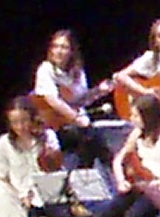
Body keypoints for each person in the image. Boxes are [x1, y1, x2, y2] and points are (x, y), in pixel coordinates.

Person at [0, 97, 73, 217]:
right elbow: (3, 177)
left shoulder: (47, 136)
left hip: (47, 191)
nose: (21, 127)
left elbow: (56, 168)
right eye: (15, 122)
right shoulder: (4, 144)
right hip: (20, 195)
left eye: (24, 121)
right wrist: (18, 197)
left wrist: (47, 148)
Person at [30, 29, 112, 169]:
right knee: (92, 138)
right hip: (53, 126)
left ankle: (91, 174)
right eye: (55, 46)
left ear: (72, 51)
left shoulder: (77, 72)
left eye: (64, 47)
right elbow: (53, 100)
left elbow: (81, 101)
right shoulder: (45, 69)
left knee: (93, 140)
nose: (59, 51)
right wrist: (76, 118)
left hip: (75, 124)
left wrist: (99, 91)